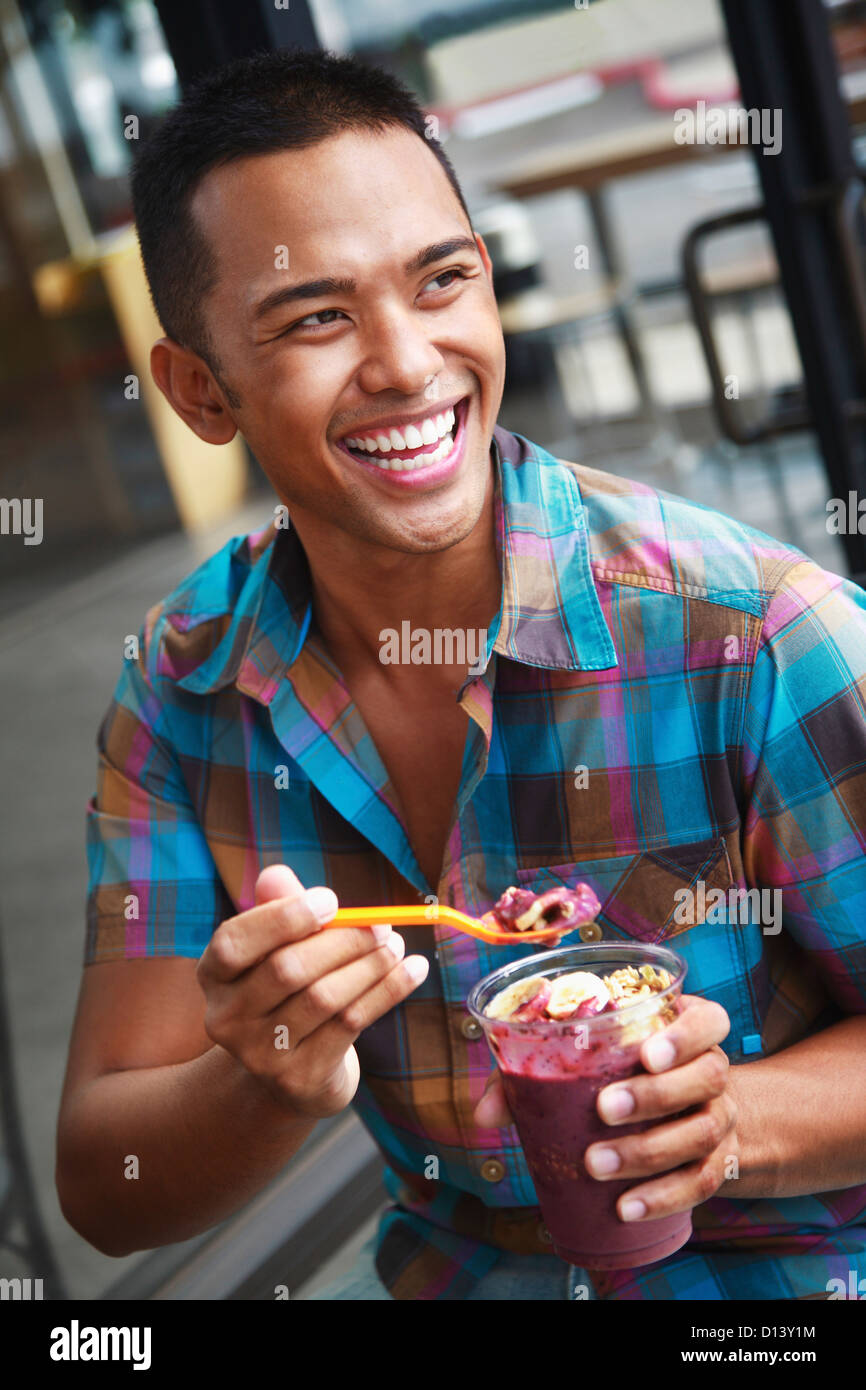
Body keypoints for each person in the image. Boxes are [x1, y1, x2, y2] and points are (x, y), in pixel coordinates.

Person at [56, 48, 866, 1301]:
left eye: (443, 281)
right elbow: (105, 1183)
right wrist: (264, 1073)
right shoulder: (181, 685)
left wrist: (731, 1125)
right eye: (316, 316)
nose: (407, 363)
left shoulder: (750, 632)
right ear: (199, 391)